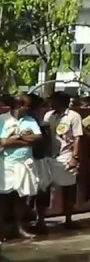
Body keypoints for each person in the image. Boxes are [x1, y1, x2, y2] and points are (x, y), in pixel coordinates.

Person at [37, 92, 83, 230]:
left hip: (65, 155)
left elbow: (77, 137)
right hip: (49, 156)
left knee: (68, 188)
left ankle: (68, 219)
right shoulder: (48, 115)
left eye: (54, 101)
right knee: (43, 188)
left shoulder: (74, 116)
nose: (51, 103)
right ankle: (41, 221)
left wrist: (75, 157)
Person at [1, 94, 42, 239]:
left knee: (20, 197)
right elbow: (3, 143)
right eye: (27, 106)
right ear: (18, 106)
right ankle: (2, 231)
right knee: (3, 198)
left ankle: (20, 228)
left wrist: (16, 138)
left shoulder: (30, 120)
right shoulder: (3, 120)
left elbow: (37, 138)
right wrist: (24, 138)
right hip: (6, 164)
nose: (29, 109)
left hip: (24, 163)